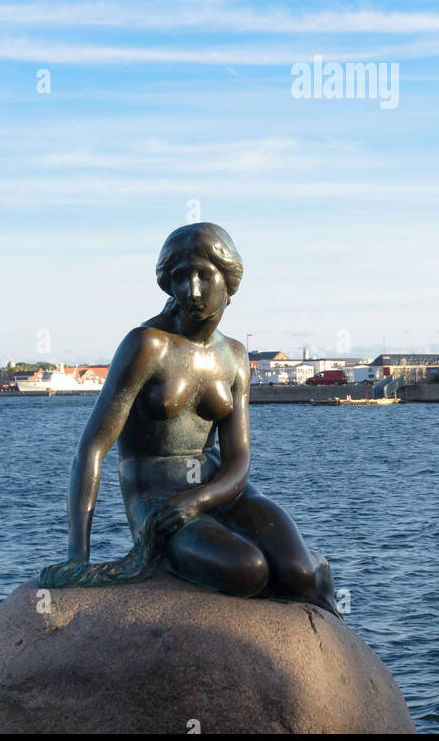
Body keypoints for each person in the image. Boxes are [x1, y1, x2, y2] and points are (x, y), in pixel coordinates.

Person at [41, 223, 338, 614]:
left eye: (203, 275)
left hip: (220, 491)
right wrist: (77, 555)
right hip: (159, 501)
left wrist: (199, 499)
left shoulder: (234, 357)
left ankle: (313, 577)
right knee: (248, 570)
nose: (191, 290)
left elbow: (238, 460)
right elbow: (91, 449)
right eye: (180, 278)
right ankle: (172, 559)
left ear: (228, 281)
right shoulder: (147, 345)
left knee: (300, 574)